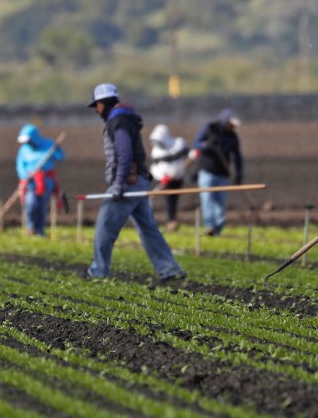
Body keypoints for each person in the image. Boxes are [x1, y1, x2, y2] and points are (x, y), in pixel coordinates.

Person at [83, 83, 186, 286]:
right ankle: (169, 269)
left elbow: (124, 154)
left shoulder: (118, 122)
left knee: (105, 227)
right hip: (139, 182)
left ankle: (98, 272)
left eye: (96, 105)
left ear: (104, 104)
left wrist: (119, 184)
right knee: (148, 228)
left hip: (128, 182)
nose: (96, 110)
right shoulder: (125, 119)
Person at [190, 108, 244, 236]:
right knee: (207, 198)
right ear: (226, 121)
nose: (233, 127)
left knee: (220, 203)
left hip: (223, 174)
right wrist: (207, 145)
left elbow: (237, 157)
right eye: (231, 124)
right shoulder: (210, 128)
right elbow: (196, 144)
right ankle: (210, 226)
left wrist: (239, 174)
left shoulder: (233, 136)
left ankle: (218, 228)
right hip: (206, 171)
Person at [15, 123, 66, 237]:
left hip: (46, 181)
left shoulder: (48, 144)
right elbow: (20, 165)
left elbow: (60, 157)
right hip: (30, 182)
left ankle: (40, 230)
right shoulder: (24, 150)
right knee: (30, 204)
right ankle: (30, 227)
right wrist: (24, 176)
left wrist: (57, 149)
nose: (28, 143)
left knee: (42, 206)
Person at [149, 124, 190, 233]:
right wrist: (163, 177)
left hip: (177, 178)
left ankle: (172, 222)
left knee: (173, 199)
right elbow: (155, 166)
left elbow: (183, 159)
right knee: (167, 199)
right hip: (163, 179)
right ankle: (170, 222)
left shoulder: (178, 143)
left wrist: (174, 173)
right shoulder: (156, 151)